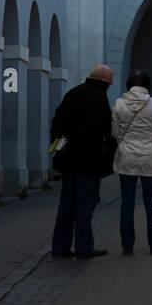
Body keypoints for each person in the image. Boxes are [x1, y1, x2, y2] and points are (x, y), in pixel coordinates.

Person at [50, 64, 113, 260]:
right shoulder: (100, 98)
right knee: (85, 206)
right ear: (104, 81)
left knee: (66, 205)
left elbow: (57, 126)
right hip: (89, 163)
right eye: (109, 83)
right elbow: (105, 133)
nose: (110, 86)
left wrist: (59, 153)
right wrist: (106, 162)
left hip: (68, 162)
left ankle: (60, 248)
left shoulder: (72, 93)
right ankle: (84, 247)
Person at [112, 69, 152, 256]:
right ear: (148, 85)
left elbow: (114, 132)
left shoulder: (119, 104)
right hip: (150, 158)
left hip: (127, 157)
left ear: (129, 84)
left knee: (127, 203)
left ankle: (127, 246)